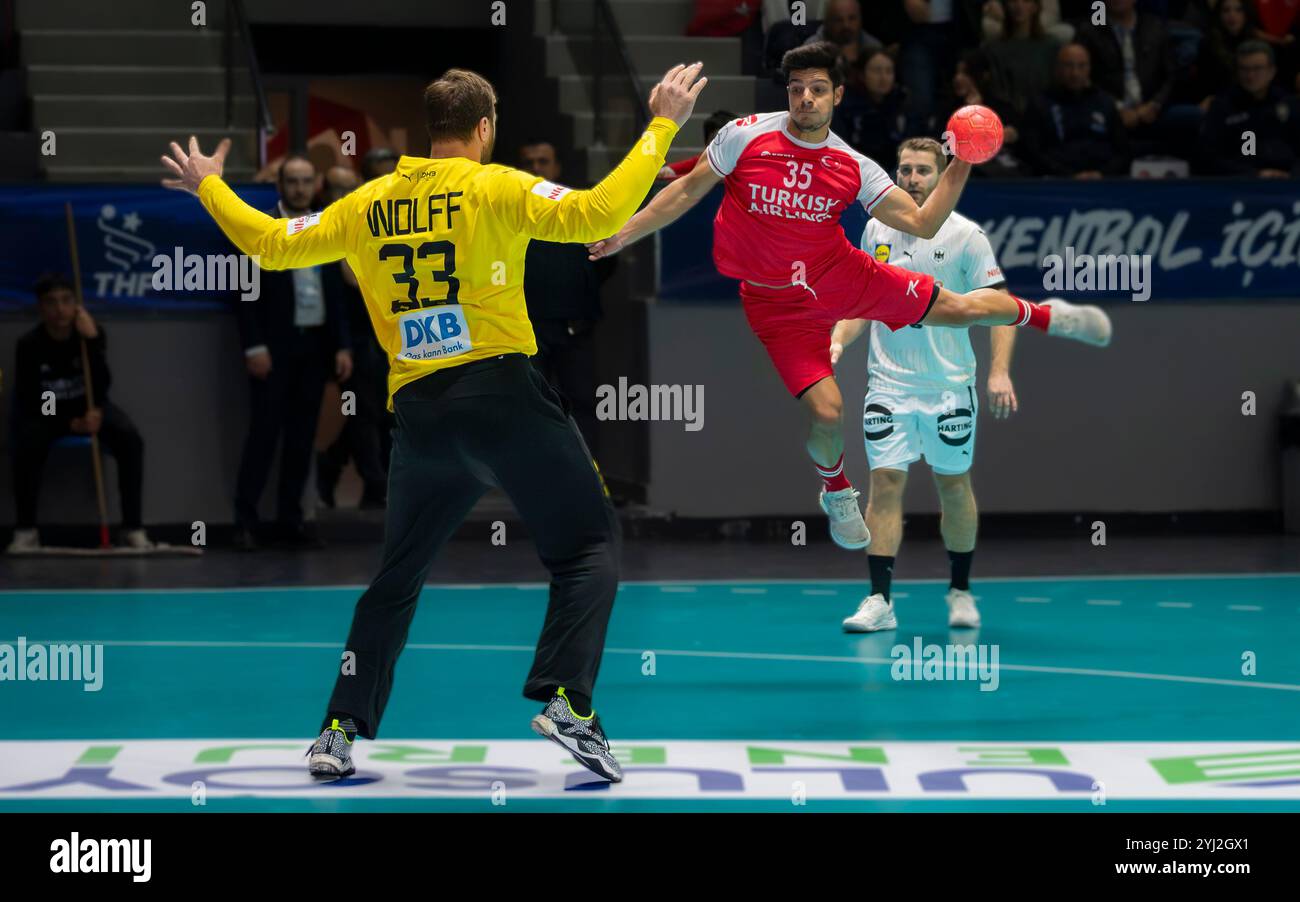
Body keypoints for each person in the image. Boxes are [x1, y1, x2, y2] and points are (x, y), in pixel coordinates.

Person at [161, 62, 705, 783]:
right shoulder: (499, 185)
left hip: (420, 415)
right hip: (504, 398)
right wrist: (662, 123)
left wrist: (210, 187)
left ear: (431, 127)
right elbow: (600, 214)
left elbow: (270, 243)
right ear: (484, 128)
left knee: (396, 578)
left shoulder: (366, 202)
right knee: (587, 545)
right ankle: (569, 700)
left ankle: (337, 730)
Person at [587, 42, 1110, 552]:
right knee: (829, 413)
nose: (805, 99)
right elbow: (684, 191)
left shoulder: (854, 165)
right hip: (776, 302)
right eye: (796, 89)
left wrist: (962, 161)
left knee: (960, 308)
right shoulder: (742, 136)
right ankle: (837, 491)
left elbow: (924, 224)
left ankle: (1048, 316)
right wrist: (624, 231)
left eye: (817, 89)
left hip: (839, 274)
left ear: (837, 95)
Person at [829, 137, 1017, 632]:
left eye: (922, 171)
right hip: (888, 386)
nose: (911, 179)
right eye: (904, 170)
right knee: (885, 484)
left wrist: (998, 371)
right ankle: (880, 600)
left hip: (950, 387)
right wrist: (838, 340)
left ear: (941, 177)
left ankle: (959, 589)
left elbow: (998, 308)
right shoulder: (875, 228)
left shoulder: (966, 236)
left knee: (952, 486)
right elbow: (862, 302)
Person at [231, 153, 354, 550]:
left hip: (315, 348)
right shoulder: (260, 228)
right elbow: (245, 295)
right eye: (292, 181)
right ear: (280, 186)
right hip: (273, 347)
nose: (300, 188)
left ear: (314, 185)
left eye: (306, 181)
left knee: (303, 439)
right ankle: (245, 521)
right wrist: (254, 346)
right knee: (263, 436)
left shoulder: (328, 226)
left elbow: (336, 294)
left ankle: (291, 521)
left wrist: (343, 345)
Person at [8, 274, 151, 552]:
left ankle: (133, 528)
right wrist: (69, 422)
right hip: (49, 412)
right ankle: (26, 530)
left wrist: (94, 341)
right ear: (41, 308)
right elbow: (29, 398)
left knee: (130, 439)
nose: (60, 309)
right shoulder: (29, 344)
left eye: (66, 301)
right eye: (51, 303)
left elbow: (102, 383)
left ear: (76, 304)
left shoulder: (90, 334)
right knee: (26, 443)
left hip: (90, 407)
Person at [517, 139, 612, 454]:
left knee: (583, 399)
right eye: (530, 163)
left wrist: (580, 288)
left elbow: (606, 258)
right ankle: (538, 483)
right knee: (530, 405)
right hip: (526, 326)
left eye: (543, 161)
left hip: (575, 324)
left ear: (556, 167)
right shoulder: (508, 210)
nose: (536, 168)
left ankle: (591, 477)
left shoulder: (580, 207)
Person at [315, 165, 390, 509]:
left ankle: (333, 461)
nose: (343, 196)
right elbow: (347, 285)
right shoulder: (326, 228)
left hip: (384, 334)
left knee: (381, 411)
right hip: (349, 339)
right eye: (336, 189)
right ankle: (375, 484)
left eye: (349, 188)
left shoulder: (376, 221)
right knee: (364, 412)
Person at [1023, 42, 1131, 177]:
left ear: (1089, 68)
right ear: (1057, 68)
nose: (1075, 73)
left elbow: (1123, 152)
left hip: (1103, 183)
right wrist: (1068, 175)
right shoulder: (1040, 104)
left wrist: (1102, 174)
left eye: (1081, 66)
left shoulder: (1105, 103)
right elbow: (1032, 153)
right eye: (1068, 66)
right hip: (1057, 183)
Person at [1200, 41, 1300, 177]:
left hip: (1290, 185)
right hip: (1242, 185)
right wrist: (1255, 174)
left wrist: (1292, 175)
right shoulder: (1222, 107)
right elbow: (1209, 158)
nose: (1250, 76)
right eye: (1244, 69)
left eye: (1257, 68)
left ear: (1272, 71)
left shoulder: (1289, 104)